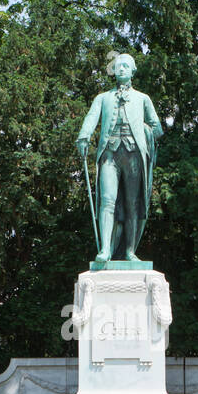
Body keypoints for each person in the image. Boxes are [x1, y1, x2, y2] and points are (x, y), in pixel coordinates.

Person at [76, 53, 165, 263]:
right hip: (110, 154)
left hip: (134, 155)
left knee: (132, 203)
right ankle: (105, 249)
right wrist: (83, 136)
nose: (121, 69)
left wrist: (142, 129)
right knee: (107, 200)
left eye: (126, 66)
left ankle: (130, 251)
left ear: (133, 71)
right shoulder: (103, 98)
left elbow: (157, 128)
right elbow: (91, 119)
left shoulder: (143, 99)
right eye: (118, 66)